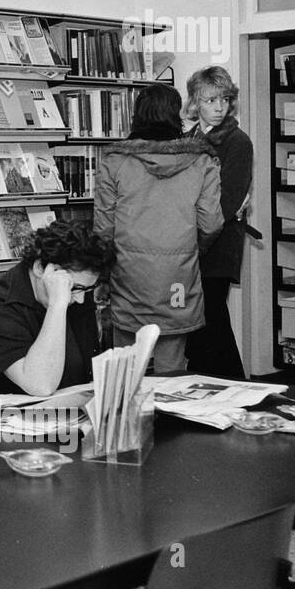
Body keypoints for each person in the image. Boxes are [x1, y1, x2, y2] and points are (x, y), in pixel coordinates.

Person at [93, 84, 223, 375]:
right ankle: (171, 416)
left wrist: (103, 270)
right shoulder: (202, 160)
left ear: (137, 114)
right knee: (172, 363)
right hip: (178, 274)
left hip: (127, 273)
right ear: (176, 114)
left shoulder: (114, 161)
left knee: (125, 365)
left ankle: (124, 416)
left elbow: (103, 228)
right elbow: (212, 222)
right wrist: (193, 249)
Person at [0, 220, 115, 394]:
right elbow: (40, 385)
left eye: (87, 289)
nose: (81, 299)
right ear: (40, 268)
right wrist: (57, 306)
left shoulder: (78, 293)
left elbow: (83, 374)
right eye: (73, 287)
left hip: (62, 411)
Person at [183, 66, 255, 378]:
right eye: (211, 101)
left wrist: (193, 231)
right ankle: (204, 392)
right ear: (195, 102)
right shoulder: (185, 138)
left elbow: (227, 202)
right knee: (197, 323)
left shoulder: (237, 141)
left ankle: (235, 389)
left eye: (224, 100)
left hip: (217, 243)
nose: (219, 108)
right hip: (188, 243)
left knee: (212, 318)